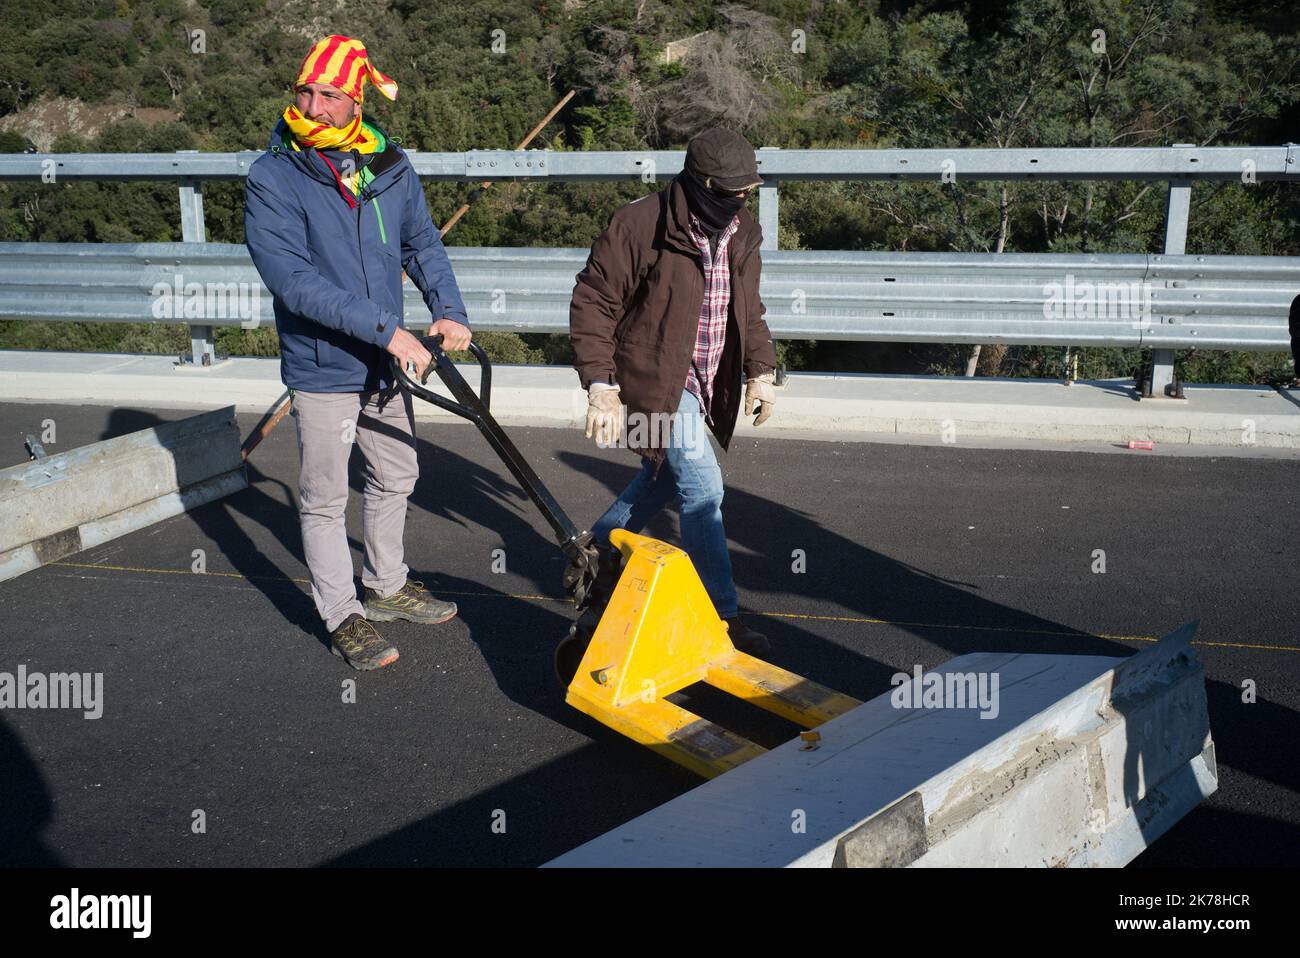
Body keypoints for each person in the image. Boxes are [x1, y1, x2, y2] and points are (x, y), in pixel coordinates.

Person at [244, 35, 471, 671]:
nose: (313, 106)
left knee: (396, 474)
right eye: (306, 91)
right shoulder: (275, 175)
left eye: (330, 95)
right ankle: (343, 613)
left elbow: (422, 243)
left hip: (384, 361)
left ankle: (387, 585)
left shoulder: (388, 165)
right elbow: (293, 280)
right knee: (323, 496)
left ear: (357, 101)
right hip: (324, 364)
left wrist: (448, 309)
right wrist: (387, 329)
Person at [569, 127, 778, 656]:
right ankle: (721, 614)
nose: (741, 200)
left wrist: (761, 370)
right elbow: (595, 302)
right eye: (732, 190)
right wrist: (600, 384)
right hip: (650, 381)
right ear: (702, 182)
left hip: (706, 380)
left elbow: (747, 310)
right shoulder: (640, 224)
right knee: (703, 486)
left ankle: (592, 558)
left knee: (660, 480)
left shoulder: (743, 230)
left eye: (747, 190)